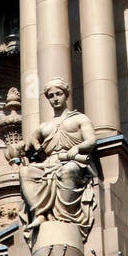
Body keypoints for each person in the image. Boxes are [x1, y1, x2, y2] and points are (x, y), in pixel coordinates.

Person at [20, 78, 97, 239]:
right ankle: (40, 213)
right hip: (48, 163)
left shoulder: (79, 118)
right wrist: (33, 143)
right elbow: (31, 141)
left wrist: (77, 148)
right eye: (51, 96)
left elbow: (91, 141)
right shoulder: (44, 126)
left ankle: (64, 217)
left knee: (68, 171)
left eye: (58, 94)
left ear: (66, 94)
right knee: (26, 172)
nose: (55, 98)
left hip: (72, 161)